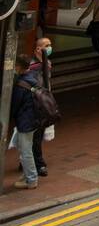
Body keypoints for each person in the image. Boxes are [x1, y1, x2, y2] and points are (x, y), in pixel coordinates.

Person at [10, 54, 42, 190]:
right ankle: (28, 174)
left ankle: (31, 180)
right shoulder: (33, 76)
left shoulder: (21, 84)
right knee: (20, 145)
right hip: (34, 119)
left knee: (26, 151)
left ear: (18, 67)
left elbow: (15, 105)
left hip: (25, 122)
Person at [26, 37, 53, 178]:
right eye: (46, 45)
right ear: (38, 49)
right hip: (34, 106)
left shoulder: (47, 63)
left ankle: (26, 161)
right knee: (35, 137)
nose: (49, 48)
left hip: (43, 105)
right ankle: (40, 164)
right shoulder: (31, 66)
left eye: (50, 45)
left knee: (37, 136)